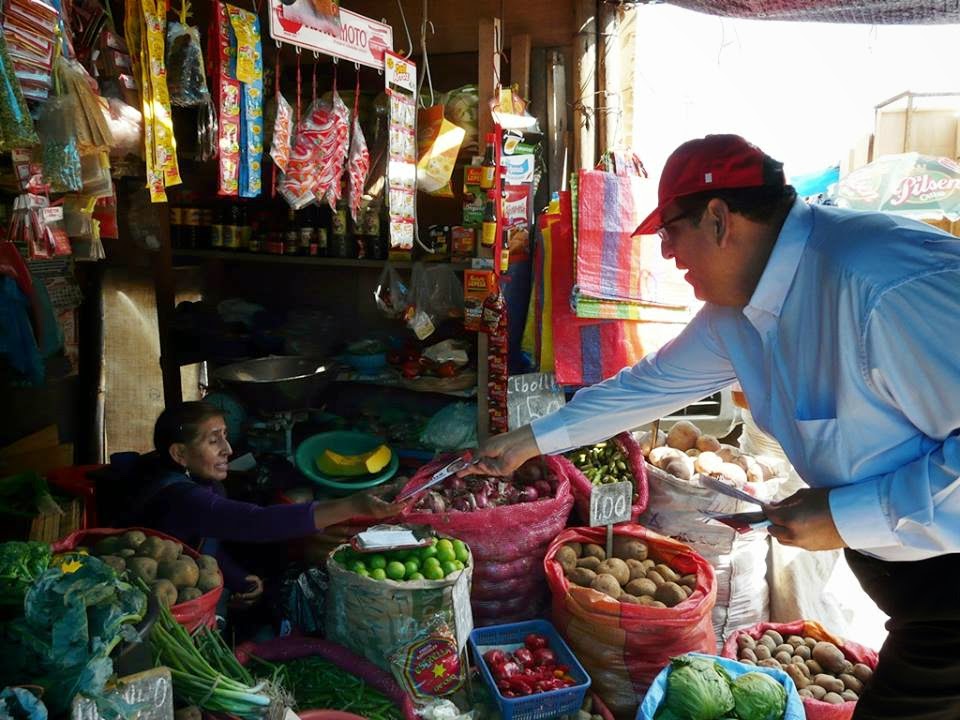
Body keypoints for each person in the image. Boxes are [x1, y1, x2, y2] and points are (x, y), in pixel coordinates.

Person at [467, 134, 960, 719]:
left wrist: (844, 515)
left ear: (719, 219)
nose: (667, 254)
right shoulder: (740, 307)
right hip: (913, 591)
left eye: (670, 232)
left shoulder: (883, 285)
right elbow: (647, 386)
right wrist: (529, 441)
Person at [119, 401, 405, 605]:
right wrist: (352, 505)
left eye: (225, 436)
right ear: (180, 454)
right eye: (213, 441)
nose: (228, 450)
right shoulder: (182, 498)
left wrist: (237, 577)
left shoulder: (206, 485)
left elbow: (204, 542)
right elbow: (256, 522)